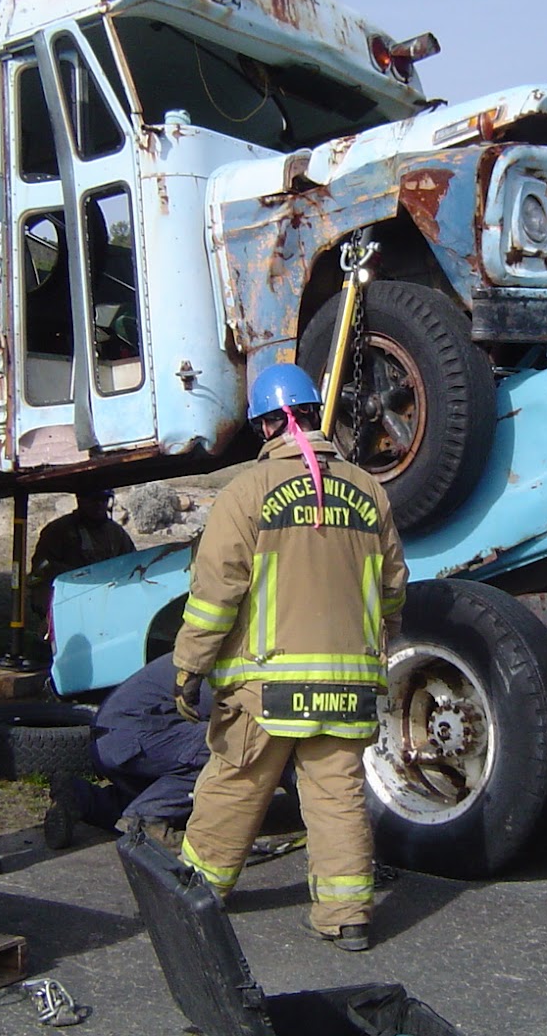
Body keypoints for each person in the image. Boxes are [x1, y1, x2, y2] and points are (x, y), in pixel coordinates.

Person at [173, 363, 407, 953]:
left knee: (234, 785)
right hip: (347, 687)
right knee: (337, 795)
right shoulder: (369, 490)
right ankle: (347, 915)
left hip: (264, 689)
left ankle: (197, 894)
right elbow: (394, 587)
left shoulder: (247, 493)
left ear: (265, 427)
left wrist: (189, 667)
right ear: (310, 416)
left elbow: (215, 594)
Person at [56, 653, 214, 842]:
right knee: (227, 746)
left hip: (112, 743)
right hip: (131, 741)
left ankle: (83, 798)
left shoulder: (197, 654)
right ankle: (147, 819)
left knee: (181, 803)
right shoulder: (209, 665)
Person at [28, 490, 135, 632]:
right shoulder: (58, 530)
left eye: (104, 500)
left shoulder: (116, 532)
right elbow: (41, 567)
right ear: (80, 500)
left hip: (106, 601)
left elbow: (132, 562)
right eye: (93, 499)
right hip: (66, 598)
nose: (99, 505)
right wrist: (75, 575)